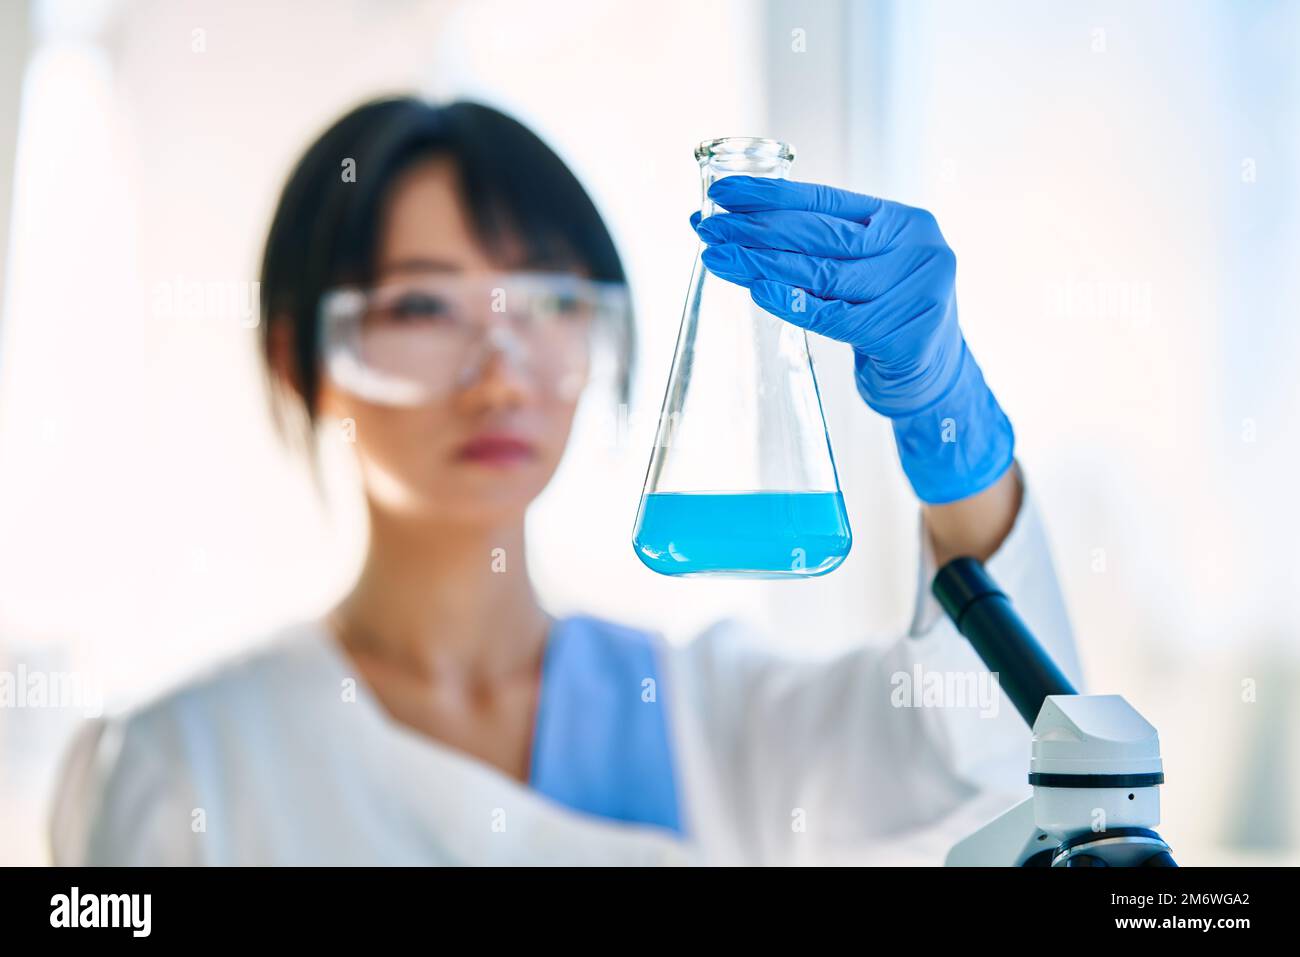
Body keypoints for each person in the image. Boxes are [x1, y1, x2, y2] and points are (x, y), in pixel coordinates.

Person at [48, 98, 1081, 866]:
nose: (500, 372)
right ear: (297, 360)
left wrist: (951, 427)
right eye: (422, 308)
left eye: (546, 304)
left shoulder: (711, 715)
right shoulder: (182, 762)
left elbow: (1001, 751)